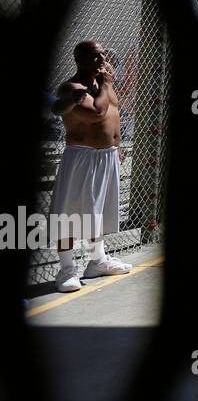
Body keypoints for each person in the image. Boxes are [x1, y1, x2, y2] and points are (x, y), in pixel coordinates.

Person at [48, 41, 132, 293]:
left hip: (107, 157)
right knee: (71, 214)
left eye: (103, 56)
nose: (102, 60)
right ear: (80, 60)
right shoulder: (73, 87)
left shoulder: (102, 85)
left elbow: (112, 116)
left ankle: (98, 261)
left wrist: (117, 146)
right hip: (82, 157)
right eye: (96, 56)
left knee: (99, 213)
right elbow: (97, 113)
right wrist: (107, 83)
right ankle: (66, 269)